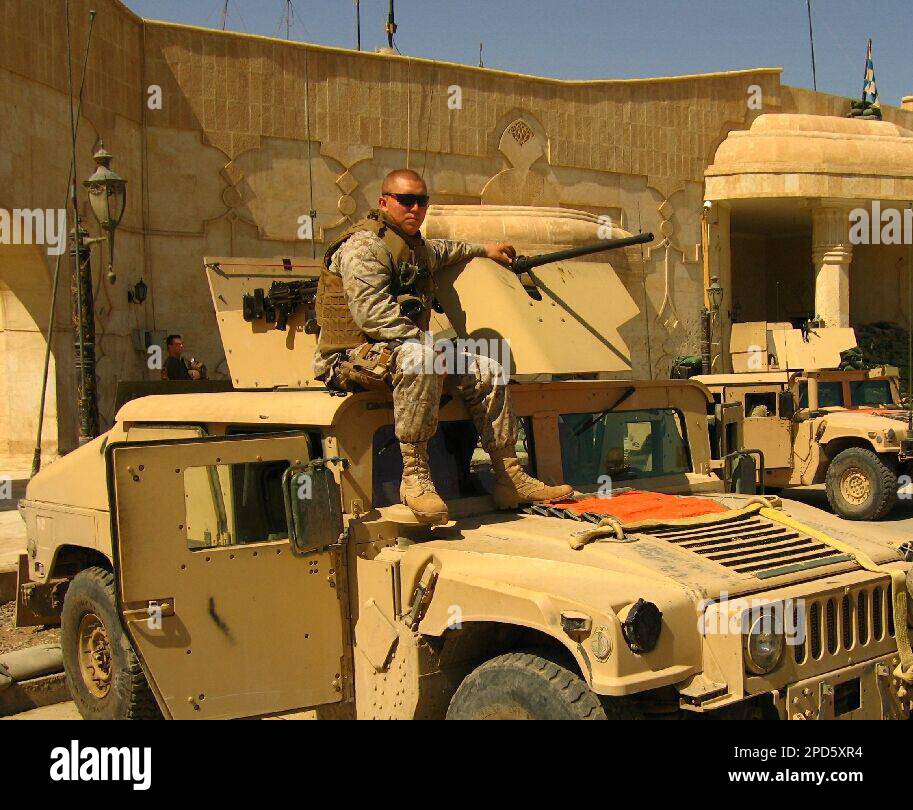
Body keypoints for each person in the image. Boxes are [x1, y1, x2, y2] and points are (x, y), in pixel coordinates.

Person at [314, 168, 572, 524]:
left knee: (488, 366)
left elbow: (445, 250)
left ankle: (509, 475)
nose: (415, 208)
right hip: (349, 359)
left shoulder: (414, 246)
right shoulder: (363, 247)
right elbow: (372, 314)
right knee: (424, 358)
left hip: (401, 352)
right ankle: (415, 478)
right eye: (406, 200)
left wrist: (486, 249)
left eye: (421, 201)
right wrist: (428, 345)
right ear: (384, 202)